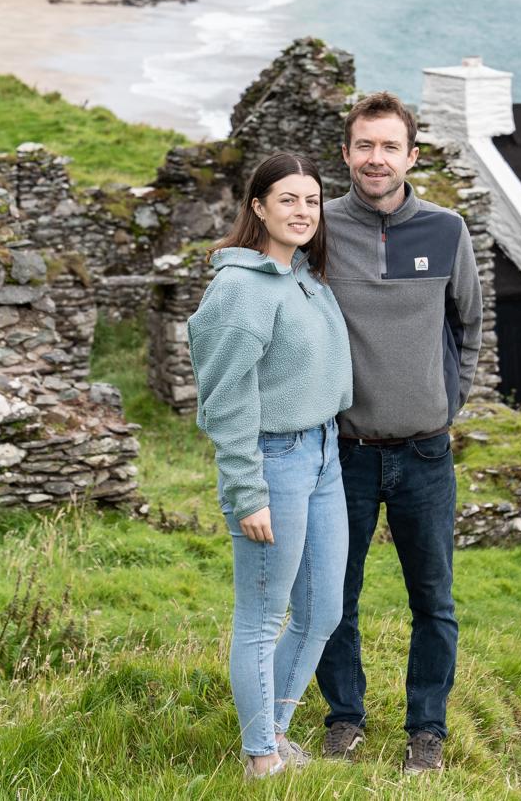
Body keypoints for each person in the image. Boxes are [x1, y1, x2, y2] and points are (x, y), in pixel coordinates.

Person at [314, 92, 483, 775]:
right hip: (343, 453)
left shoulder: (447, 230)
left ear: (412, 156)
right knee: (332, 595)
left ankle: (427, 731)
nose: (375, 159)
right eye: (364, 145)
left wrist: (449, 401)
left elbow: (469, 326)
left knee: (433, 602)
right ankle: (345, 719)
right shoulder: (318, 227)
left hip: (424, 453)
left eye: (389, 147)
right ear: (348, 153)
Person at [187, 152, 354, 780]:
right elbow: (226, 399)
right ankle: (261, 758)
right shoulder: (239, 288)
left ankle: (276, 732)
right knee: (262, 617)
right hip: (272, 462)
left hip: (323, 456)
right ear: (258, 207)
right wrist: (246, 489)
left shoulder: (303, 276)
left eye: (311, 200)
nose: (302, 211)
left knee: (323, 610)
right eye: (288, 199)